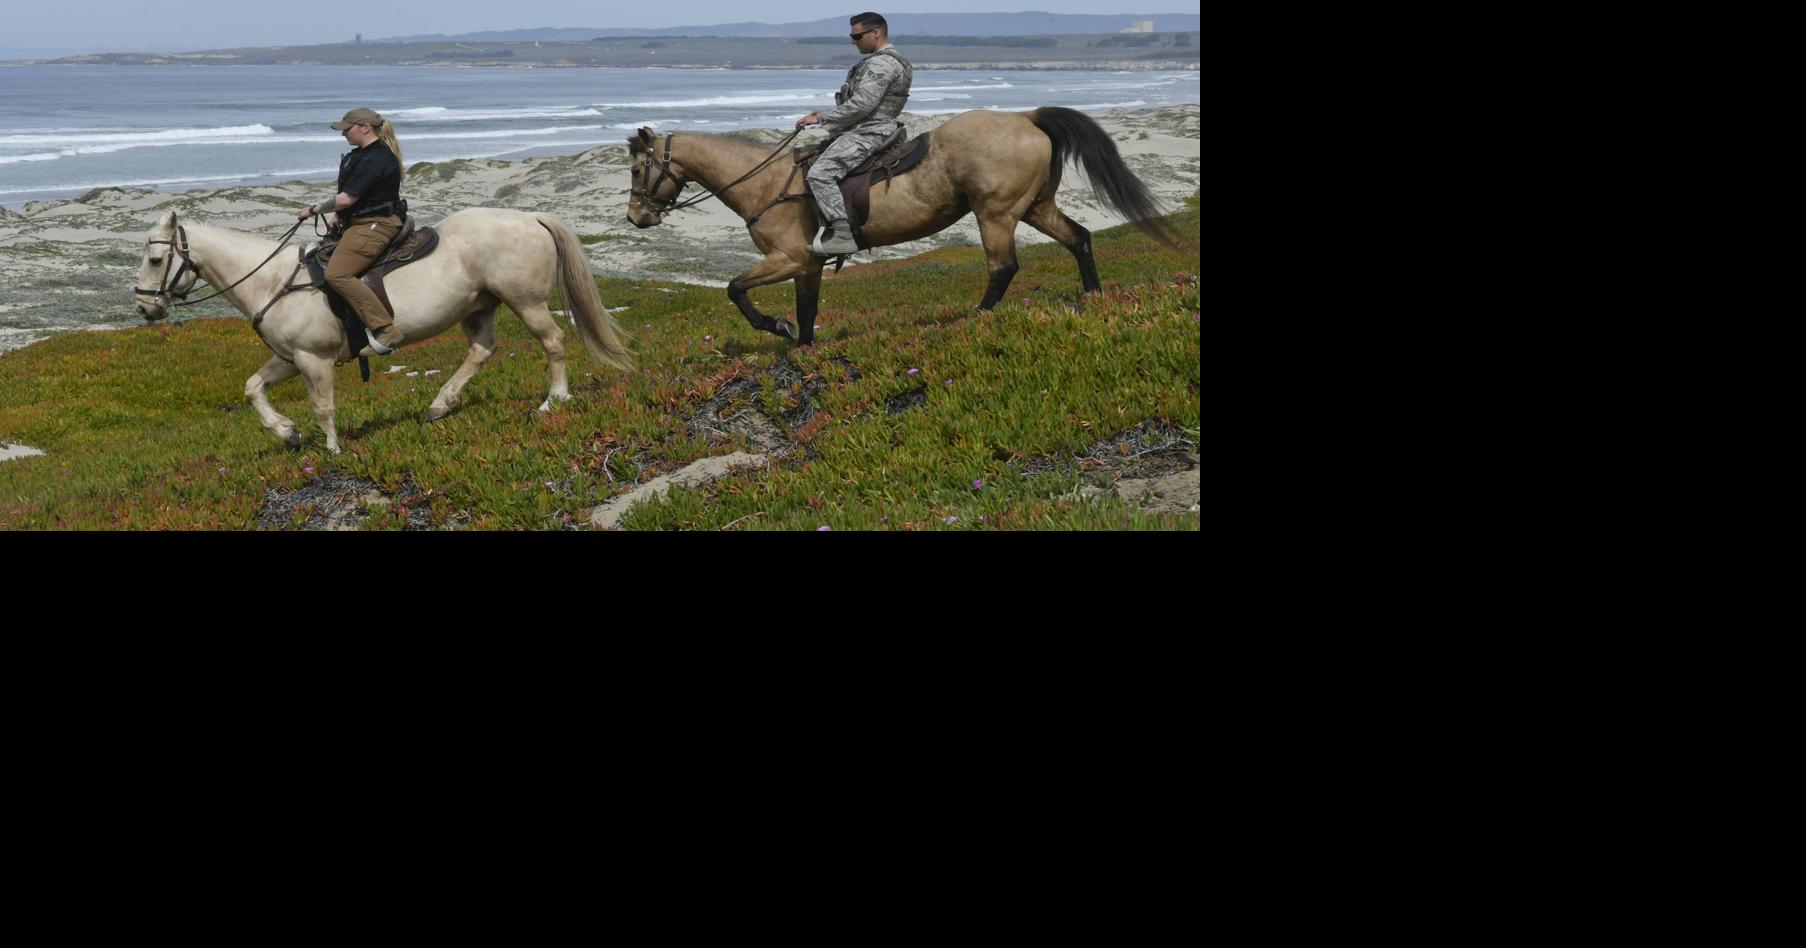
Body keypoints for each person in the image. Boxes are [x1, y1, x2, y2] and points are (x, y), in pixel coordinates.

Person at [794, 12, 912, 256]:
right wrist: (832, 112)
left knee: (820, 174)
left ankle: (841, 234)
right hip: (869, 127)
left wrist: (821, 118)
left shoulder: (881, 64)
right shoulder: (887, 60)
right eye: (852, 36)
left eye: (857, 36)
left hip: (870, 133)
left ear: (876, 33)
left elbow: (862, 105)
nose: (853, 41)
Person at [298, 107, 408, 354]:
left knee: (337, 274)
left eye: (347, 129)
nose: (343, 134)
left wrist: (314, 209)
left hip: (377, 225)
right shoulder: (361, 155)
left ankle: (385, 330)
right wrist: (339, 216)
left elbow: (347, 198)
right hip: (359, 221)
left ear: (365, 127)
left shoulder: (377, 157)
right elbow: (358, 197)